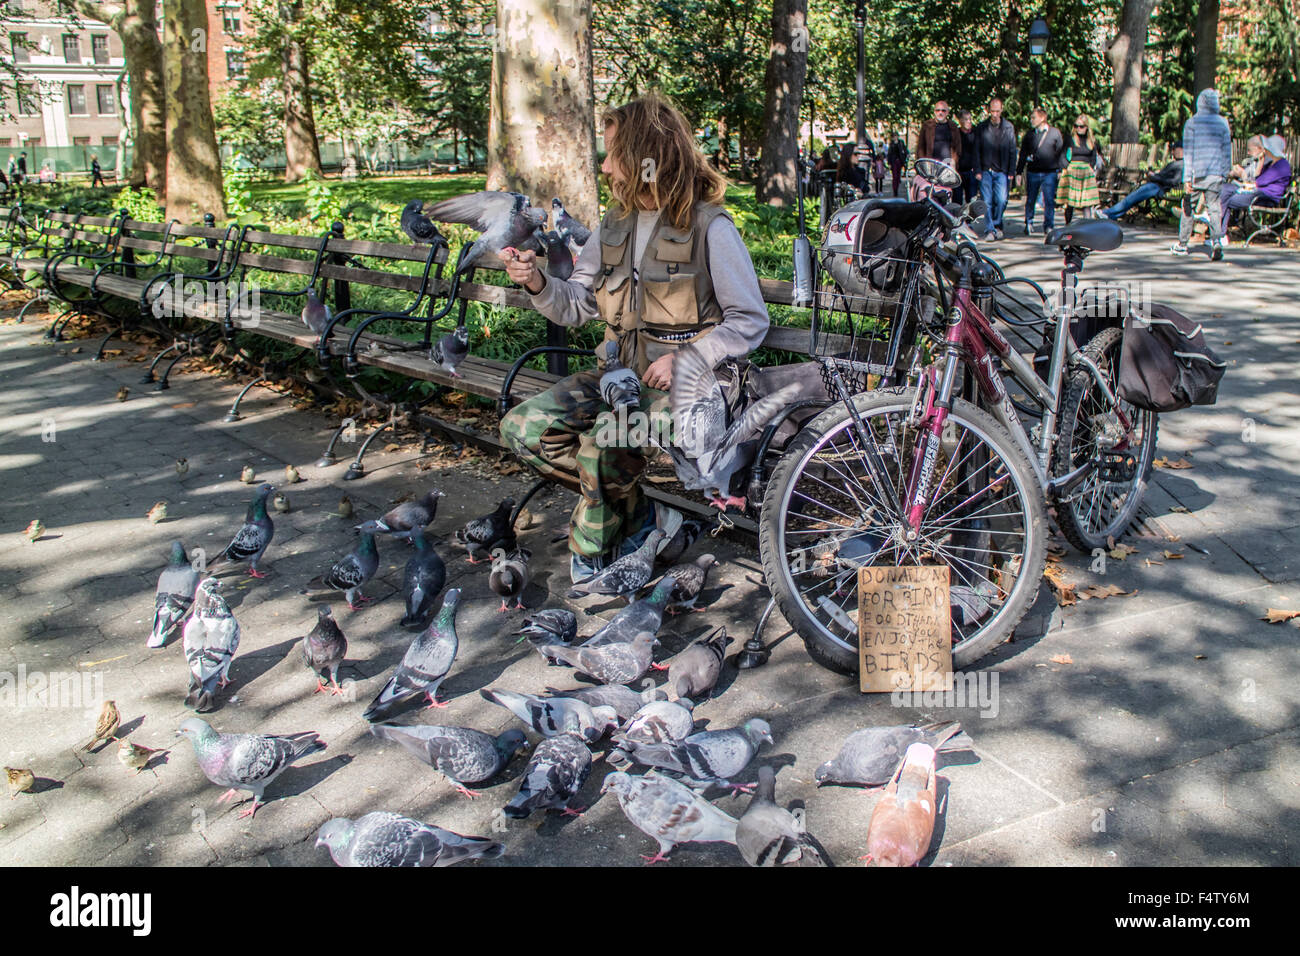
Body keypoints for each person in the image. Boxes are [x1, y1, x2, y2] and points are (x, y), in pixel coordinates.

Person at [498, 94, 769, 583]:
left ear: (648, 155)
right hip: (620, 377)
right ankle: (649, 518)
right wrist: (536, 281)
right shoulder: (614, 224)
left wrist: (688, 358)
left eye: (614, 153)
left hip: (691, 390)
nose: (605, 167)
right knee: (524, 429)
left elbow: (749, 320)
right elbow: (576, 304)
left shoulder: (709, 226)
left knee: (603, 446)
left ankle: (593, 555)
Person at [1173, 88, 1232, 259]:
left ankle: (1182, 244)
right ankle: (1216, 241)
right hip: (1216, 173)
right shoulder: (1222, 123)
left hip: (1197, 173)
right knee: (1214, 209)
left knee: (1188, 206)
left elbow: (1188, 153)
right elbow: (1226, 150)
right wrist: (1225, 172)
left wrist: (1187, 178)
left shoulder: (1192, 123)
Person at [1219, 134, 1292, 242]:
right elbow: (1258, 179)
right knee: (1226, 191)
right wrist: (1261, 161)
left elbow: (1260, 182)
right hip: (1259, 193)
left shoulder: (1281, 165)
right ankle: (1219, 233)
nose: (1265, 150)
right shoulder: (1271, 163)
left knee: (1229, 200)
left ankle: (1219, 234)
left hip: (1266, 197)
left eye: (1267, 148)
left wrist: (1245, 177)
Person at [1103, 142, 1184, 220]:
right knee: (1133, 199)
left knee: (1131, 198)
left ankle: (1106, 213)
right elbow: (1165, 176)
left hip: (1157, 188)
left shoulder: (1180, 165)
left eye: (1174, 149)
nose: (1172, 152)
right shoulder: (1176, 163)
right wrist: (1155, 175)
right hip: (1156, 186)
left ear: (1181, 150)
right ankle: (1111, 215)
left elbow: (1174, 181)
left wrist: (1154, 177)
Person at [973, 97, 1017, 240]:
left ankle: (997, 224)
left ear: (1001, 110)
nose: (995, 114)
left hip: (1002, 170)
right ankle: (990, 229)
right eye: (992, 111)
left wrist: (1012, 171)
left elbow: (1012, 150)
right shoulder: (981, 128)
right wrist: (977, 170)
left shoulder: (1008, 127)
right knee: (987, 201)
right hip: (986, 169)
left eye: (997, 111)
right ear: (989, 111)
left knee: (1002, 199)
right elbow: (976, 150)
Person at [1017, 107, 1065, 234]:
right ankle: (1029, 222)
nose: (1031, 120)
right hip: (1033, 171)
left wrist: (1061, 169)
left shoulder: (1055, 133)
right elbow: (1023, 154)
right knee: (1031, 199)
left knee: (1049, 200)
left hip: (1050, 172)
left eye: (1034, 117)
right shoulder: (1029, 135)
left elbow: (1060, 153)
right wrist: (1019, 172)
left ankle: (1049, 225)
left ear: (1043, 118)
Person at [1060, 114, 1103, 223]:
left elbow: (1093, 157)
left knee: (1086, 202)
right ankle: (1067, 224)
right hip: (1072, 170)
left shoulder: (1092, 141)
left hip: (1086, 172)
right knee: (1070, 202)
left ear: (1087, 127)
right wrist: (1066, 167)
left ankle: (1086, 225)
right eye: (1076, 126)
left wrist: (1091, 168)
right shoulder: (1070, 139)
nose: (1078, 128)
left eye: (1081, 126)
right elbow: (1063, 154)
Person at [918, 100, 962, 172]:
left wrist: (954, 161)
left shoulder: (953, 126)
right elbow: (920, 147)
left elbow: (957, 148)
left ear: (947, 112)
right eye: (938, 110)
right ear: (934, 112)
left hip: (947, 167)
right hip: (930, 167)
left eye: (943, 110)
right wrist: (924, 164)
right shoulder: (927, 126)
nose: (940, 113)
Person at [955, 109, 977, 204]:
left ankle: (970, 214)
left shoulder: (975, 133)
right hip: (958, 171)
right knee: (957, 200)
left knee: (971, 200)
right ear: (960, 120)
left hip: (971, 171)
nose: (969, 122)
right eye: (966, 119)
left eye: (970, 119)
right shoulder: (956, 134)